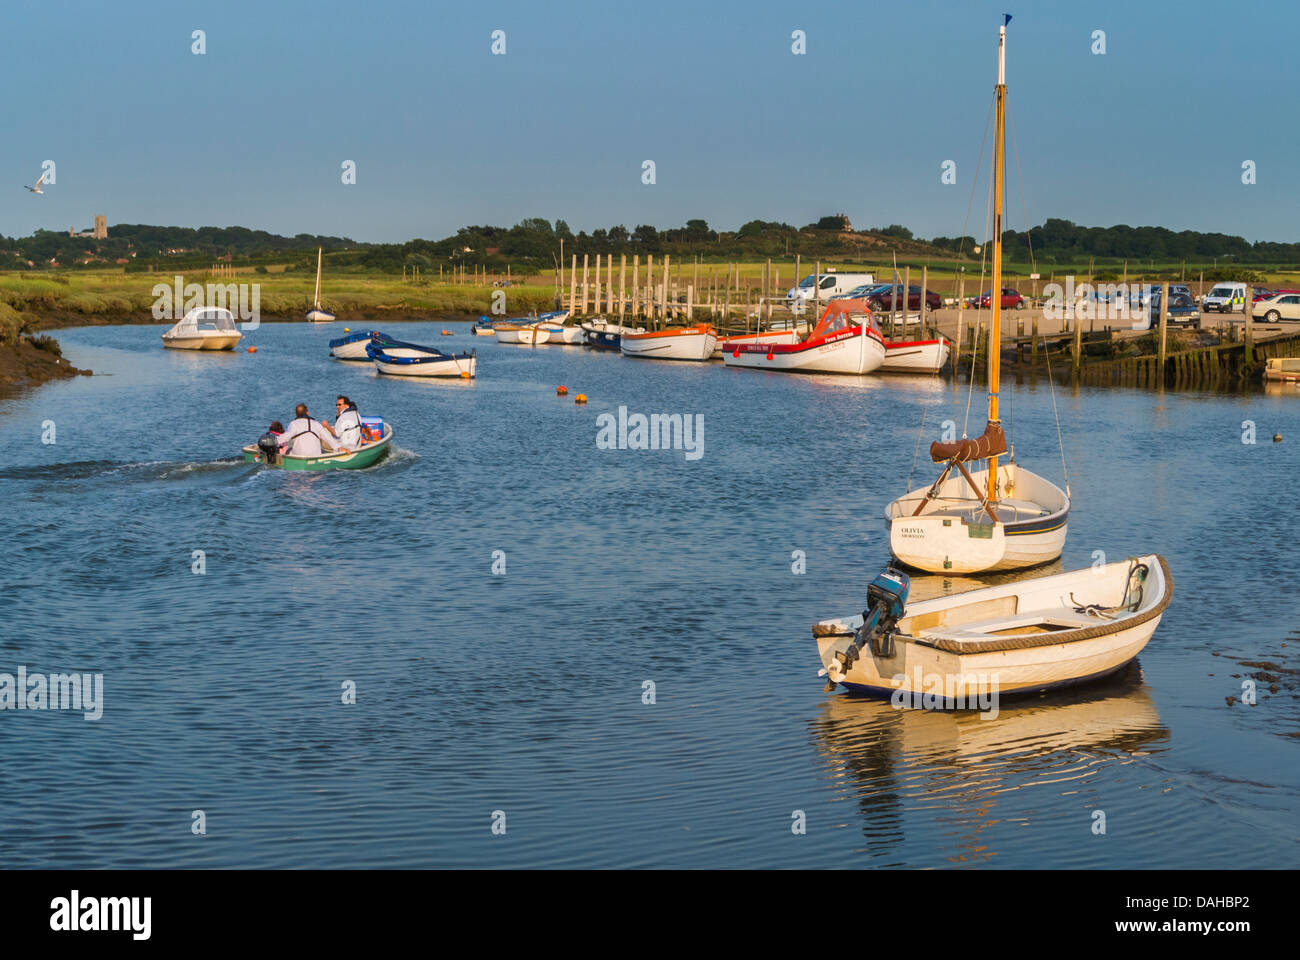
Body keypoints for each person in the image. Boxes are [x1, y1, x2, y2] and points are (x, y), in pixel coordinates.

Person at [279, 403, 346, 457]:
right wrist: (338, 447)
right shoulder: (316, 424)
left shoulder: (293, 424)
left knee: (288, 450)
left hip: (299, 456)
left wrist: (276, 440)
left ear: (296, 414)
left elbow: (286, 436)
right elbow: (328, 437)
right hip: (315, 455)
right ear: (307, 413)